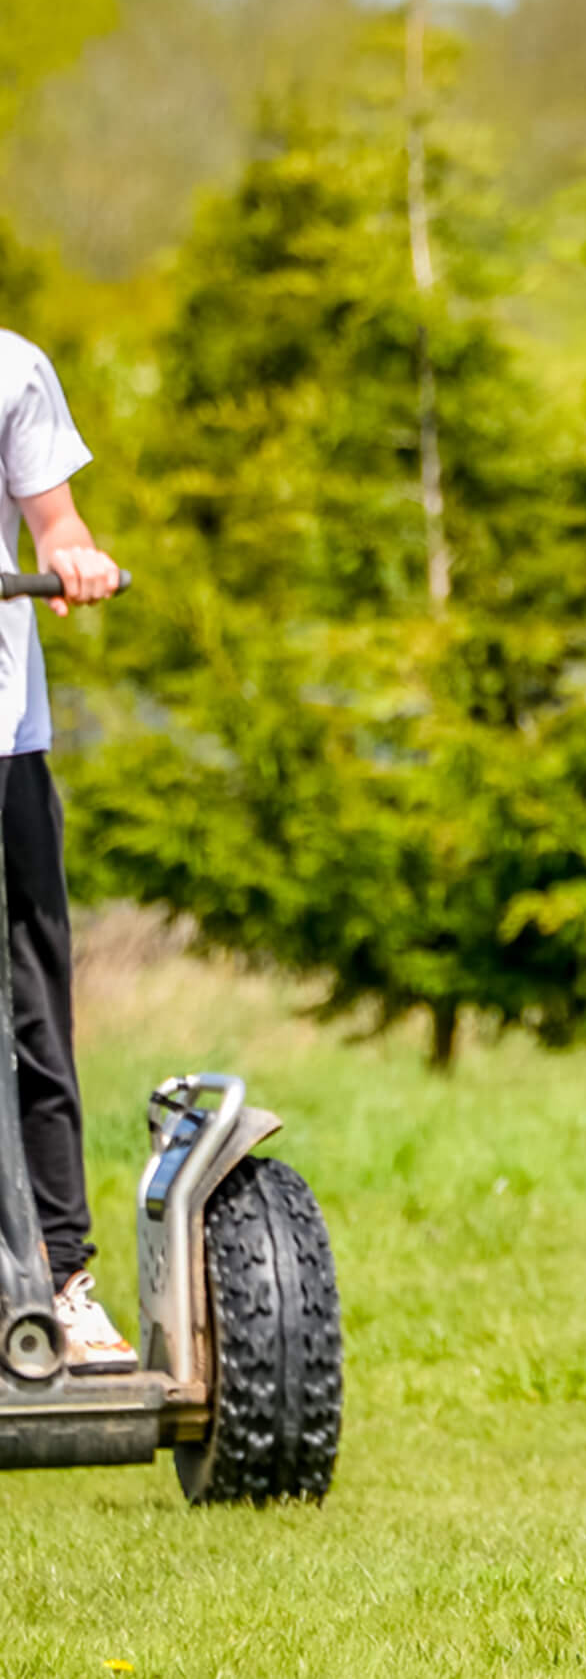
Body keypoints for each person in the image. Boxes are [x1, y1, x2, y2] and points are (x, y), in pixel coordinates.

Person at [0, 328, 132, 1372]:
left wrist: (73, 558)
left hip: (5, 741)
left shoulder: (12, 367)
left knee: (35, 1011)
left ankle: (65, 1280)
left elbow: (57, 521)